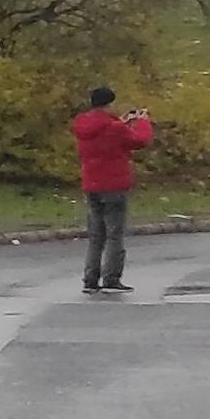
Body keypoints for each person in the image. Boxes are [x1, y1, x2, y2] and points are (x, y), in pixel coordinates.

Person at [68, 85, 153, 293]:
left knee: (96, 234)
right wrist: (142, 123)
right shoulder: (115, 128)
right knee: (114, 234)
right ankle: (111, 277)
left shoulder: (82, 125)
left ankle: (90, 277)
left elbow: (105, 132)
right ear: (109, 103)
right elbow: (139, 141)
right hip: (114, 185)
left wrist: (122, 122)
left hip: (91, 183)